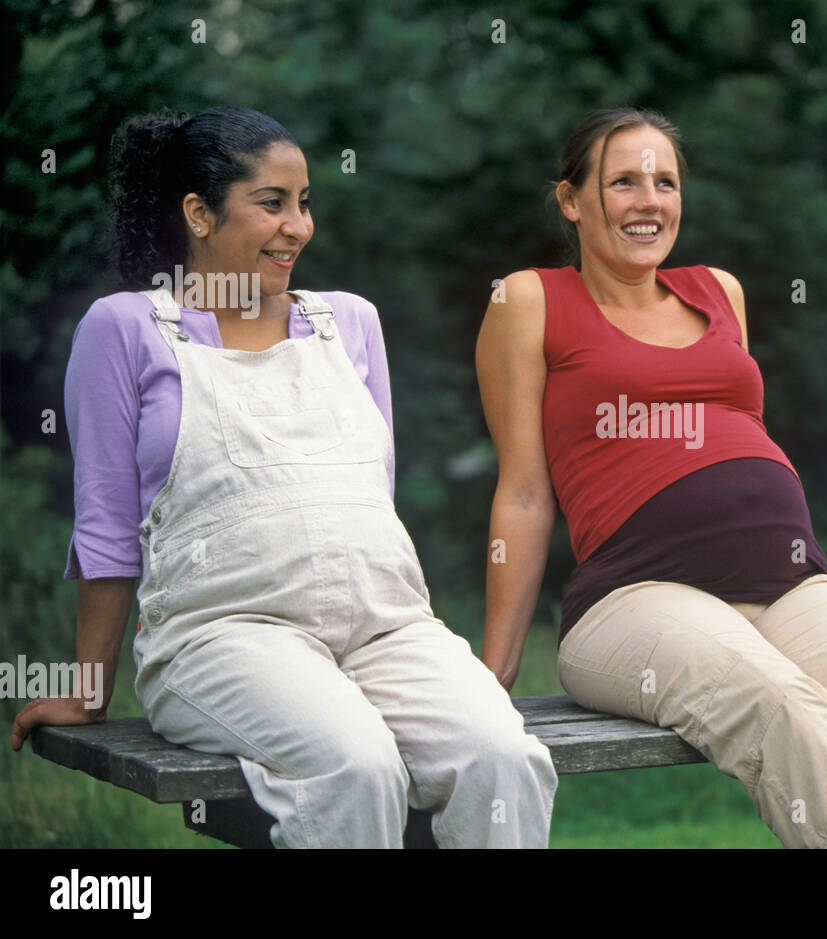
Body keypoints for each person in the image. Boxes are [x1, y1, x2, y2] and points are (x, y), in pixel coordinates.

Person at [11, 106, 557, 848]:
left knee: (505, 756)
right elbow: (106, 527)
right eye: (271, 203)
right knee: (357, 766)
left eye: (304, 203)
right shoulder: (127, 329)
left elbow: (369, 492)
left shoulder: (350, 322)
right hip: (221, 639)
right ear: (199, 214)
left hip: (386, 627)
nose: (298, 225)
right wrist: (87, 688)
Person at [476, 107, 827, 849]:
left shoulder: (718, 290)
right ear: (571, 200)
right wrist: (493, 676)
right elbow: (523, 490)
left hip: (788, 584)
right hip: (633, 596)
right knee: (778, 699)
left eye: (665, 181)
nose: (650, 200)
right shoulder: (529, 299)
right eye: (623, 182)